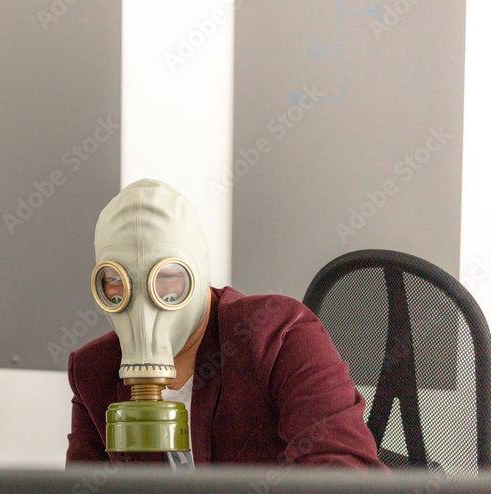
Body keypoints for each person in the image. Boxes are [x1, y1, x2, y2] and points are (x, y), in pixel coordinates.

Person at [67, 179, 384, 467]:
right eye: (117, 281)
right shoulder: (93, 371)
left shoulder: (278, 336)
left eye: (166, 278)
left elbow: (347, 481)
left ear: (199, 274)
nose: (142, 305)